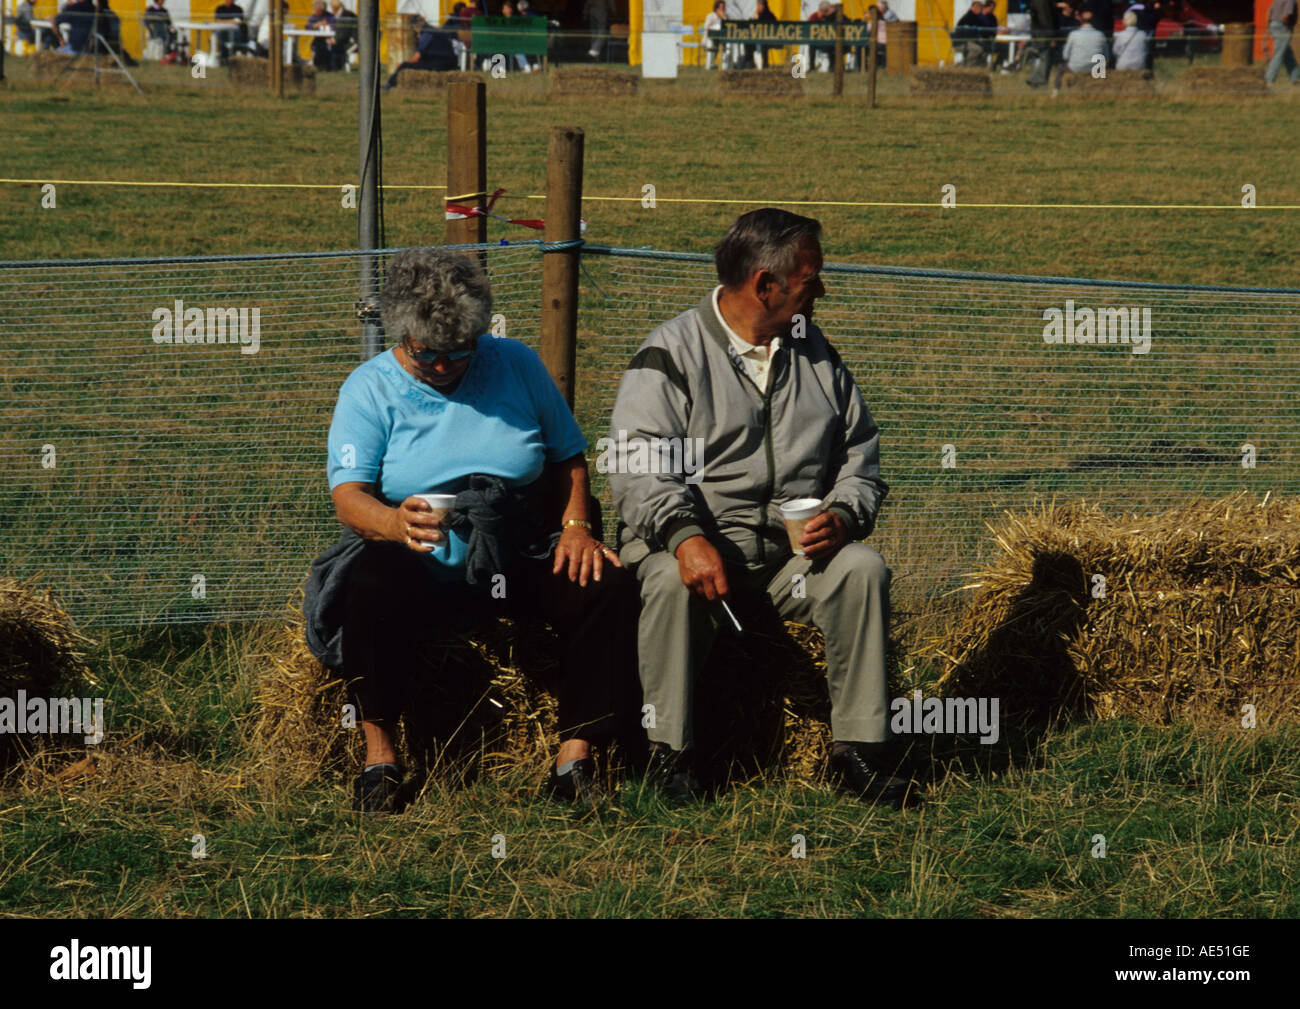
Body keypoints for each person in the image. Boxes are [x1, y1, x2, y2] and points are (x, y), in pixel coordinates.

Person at [315, 248, 641, 812]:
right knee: (367, 584)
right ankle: (380, 762)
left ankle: (574, 760)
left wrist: (577, 528)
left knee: (604, 587)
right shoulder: (368, 388)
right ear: (402, 335)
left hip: (517, 545)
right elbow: (349, 498)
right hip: (422, 554)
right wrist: (393, 523)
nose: (443, 366)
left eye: (459, 352)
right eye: (428, 355)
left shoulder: (515, 363)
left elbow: (568, 456)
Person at [608, 209, 911, 808]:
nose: (822, 289)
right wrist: (686, 535)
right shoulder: (669, 353)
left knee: (861, 570)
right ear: (765, 286)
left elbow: (860, 455)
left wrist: (845, 515)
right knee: (670, 581)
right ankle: (670, 754)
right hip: (689, 547)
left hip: (784, 561)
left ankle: (861, 752)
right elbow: (636, 466)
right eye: (810, 280)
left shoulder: (816, 354)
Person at [382, 14, 457, 88]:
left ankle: (389, 84)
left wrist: (403, 63)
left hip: (440, 64)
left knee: (404, 66)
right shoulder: (434, 30)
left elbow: (417, 58)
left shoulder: (426, 33)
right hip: (450, 62)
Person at [1058, 8, 1108, 80]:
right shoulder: (1101, 34)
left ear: (1081, 20)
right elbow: (1106, 57)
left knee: (1060, 68)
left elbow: (1065, 56)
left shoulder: (1073, 34)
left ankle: (1055, 90)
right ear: (1094, 21)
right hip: (1095, 69)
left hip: (1075, 68)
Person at [1025, 0, 1059, 86]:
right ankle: (1035, 80)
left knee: (1044, 57)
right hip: (1044, 34)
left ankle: (1037, 80)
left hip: (1039, 33)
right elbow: (1045, 19)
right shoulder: (1042, 2)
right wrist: (1051, 37)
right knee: (1045, 57)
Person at [1265, 0, 1299, 85]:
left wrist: (1268, 28)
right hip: (1283, 26)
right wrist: (1287, 27)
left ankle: (1295, 77)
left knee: (1287, 53)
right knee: (1279, 53)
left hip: (1273, 25)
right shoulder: (1290, 0)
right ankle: (1269, 79)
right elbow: (1285, 16)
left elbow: (1268, 13)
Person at [328, 0, 357, 70]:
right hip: (352, 39)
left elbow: (344, 33)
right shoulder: (346, 14)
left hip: (356, 42)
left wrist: (334, 40)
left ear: (334, 8)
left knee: (336, 46)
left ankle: (335, 68)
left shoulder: (345, 16)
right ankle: (336, 66)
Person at [305, 0, 334, 70]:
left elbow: (334, 27)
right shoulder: (313, 17)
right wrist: (314, 26)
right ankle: (318, 66)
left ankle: (327, 66)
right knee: (317, 46)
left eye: (318, 11)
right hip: (318, 39)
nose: (316, 12)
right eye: (315, 10)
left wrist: (327, 25)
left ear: (323, 10)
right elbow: (307, 27)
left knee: (325, 47)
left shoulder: (330, 16)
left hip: (329, 38)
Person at [703, 0, 728, 69]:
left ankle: (725, 65)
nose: (723, 10)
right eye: (721, 8)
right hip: (710, 37)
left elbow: (729, 27)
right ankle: (710, 64)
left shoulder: (726, 17)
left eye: (724, 8)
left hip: (722, 37)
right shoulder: (710, 16)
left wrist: (724, 18)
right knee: (712, 44)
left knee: (726, 45)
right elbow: (706, 27)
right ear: (717, 9)